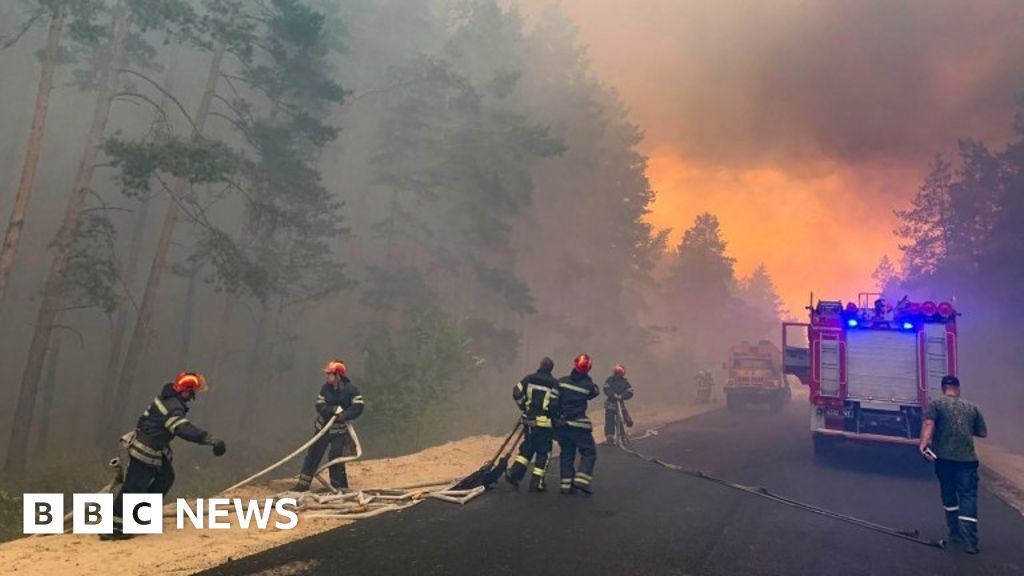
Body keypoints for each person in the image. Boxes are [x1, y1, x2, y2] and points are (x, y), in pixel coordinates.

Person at [105, 372, 225, 540]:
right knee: (133, 487)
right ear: (186, 391)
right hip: (145, 449)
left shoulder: (167, 398)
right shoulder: (173, 406)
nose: (192, 397)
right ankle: (114, 527)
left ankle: (141, 515)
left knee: (166, 477)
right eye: (192, 393)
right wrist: (209, 439)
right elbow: (182, 428)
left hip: (155, 448)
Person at [919, 375, 988, 554]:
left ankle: (954, 532)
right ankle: (971, 542)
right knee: (968, 496)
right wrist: (965, 428)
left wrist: (923, 444)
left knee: (949, 493)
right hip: (968, 460)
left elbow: (928, 424)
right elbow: (982, 432)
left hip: (944, 459)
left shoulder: (936, 404)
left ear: (943, 388)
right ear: (958, 389)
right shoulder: (971, 407)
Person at [293, 360, 365, 492]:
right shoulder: (325, 388)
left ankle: (338, 487)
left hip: (339, 432)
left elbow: (359, 406)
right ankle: (302, 485)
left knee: (336, 457)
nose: (327, 377)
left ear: (338, 376)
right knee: (313, 455)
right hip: (323, 429)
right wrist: (332, 410)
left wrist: (345, 415)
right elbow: (319, 405)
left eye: (329, 374)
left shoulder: (351, 390)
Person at [507, 357, 560, 492]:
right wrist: (556, 420)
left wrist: (524, 406)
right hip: (544, 423)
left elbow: (516, 391)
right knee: (544, 452)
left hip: (529, 421)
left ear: (540, 365)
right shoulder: (554, 383)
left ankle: (514, 474)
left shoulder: (529, 378)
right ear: (551, 369)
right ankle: (537, 482)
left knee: (527, 448)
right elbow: (555, 404)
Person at [555, 354, 600, 495]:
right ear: (589, 368)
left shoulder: (561, 382)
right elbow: (595, 392)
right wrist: (588, 378)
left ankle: (565, 485)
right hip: (579, 425)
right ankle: (582, 480)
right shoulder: (588, 386)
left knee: (567, 453)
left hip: (562, 425)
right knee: (589, 451)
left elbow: (553, 401)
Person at [603, 364, 634, 445]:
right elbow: (606, 388)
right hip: (611, 403)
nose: (619, 373)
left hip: (620, 404)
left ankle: (622, 435)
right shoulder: (610, 380)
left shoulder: (625, 382)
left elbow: (630, 391)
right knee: (610, 420)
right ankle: (610, 436)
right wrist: (613, 395)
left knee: (621, 419)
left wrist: (621, 396)